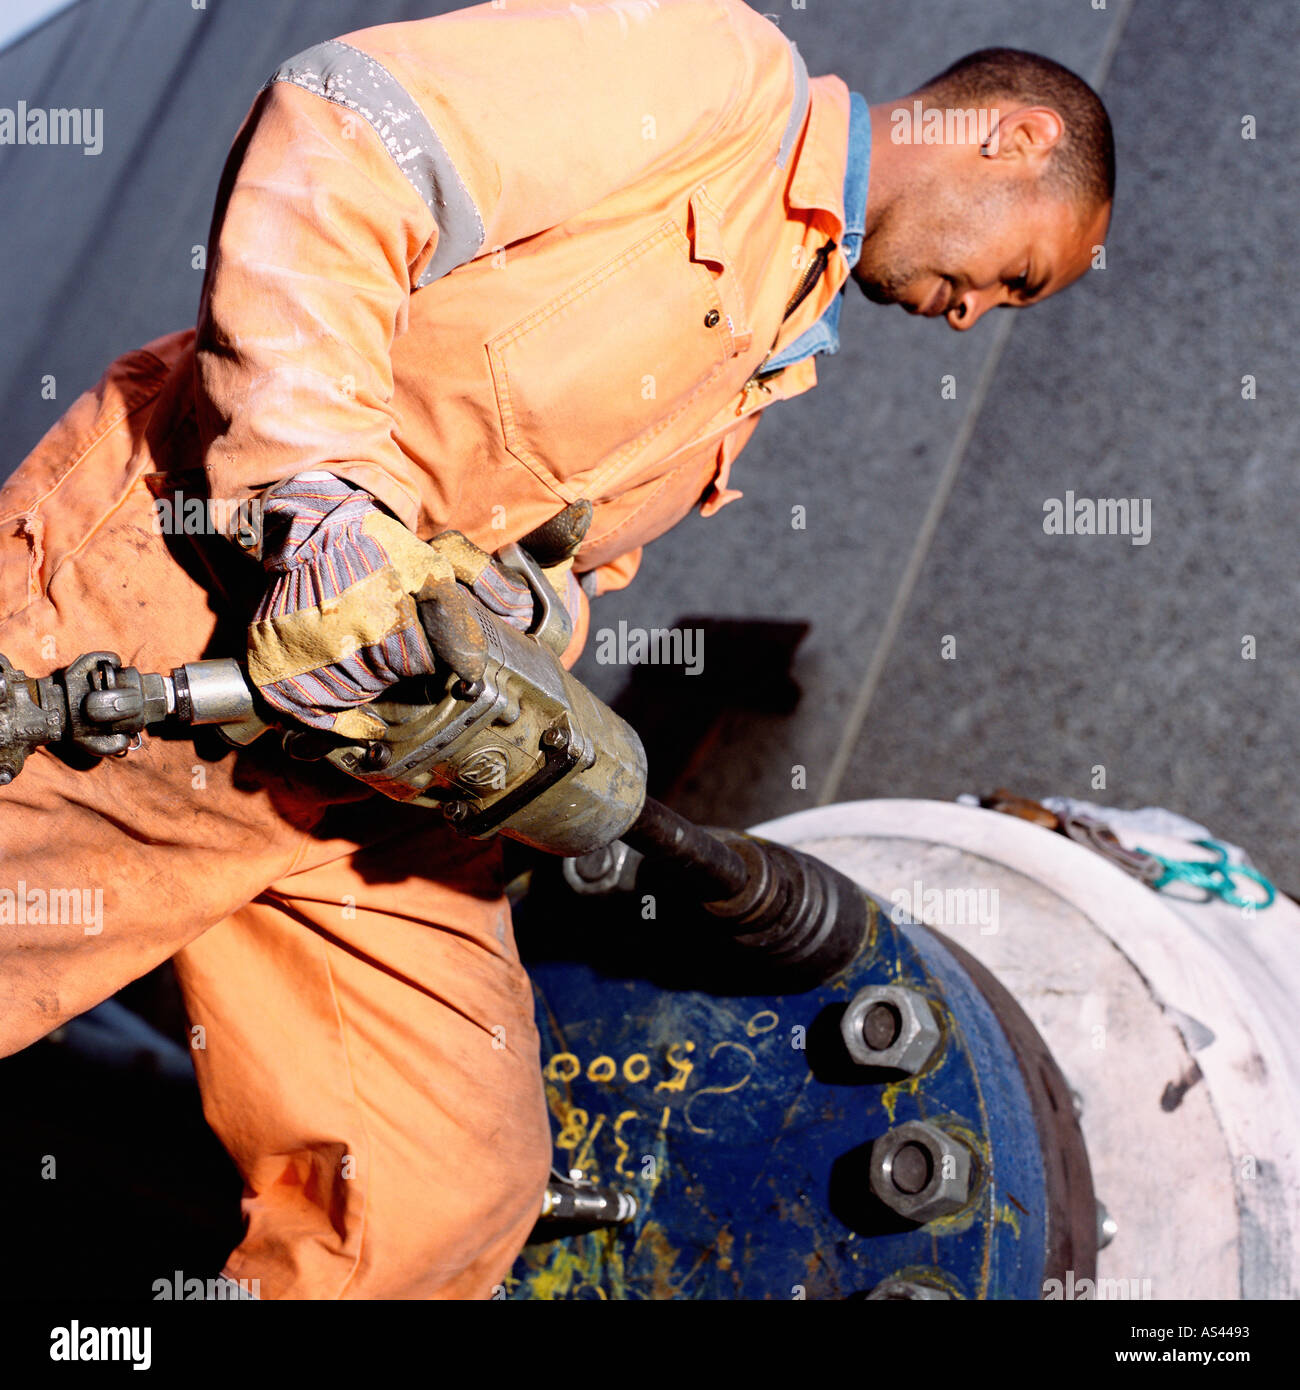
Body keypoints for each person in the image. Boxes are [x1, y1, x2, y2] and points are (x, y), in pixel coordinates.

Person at [0, 0, 1113, 1298]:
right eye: (1016, 274)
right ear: (1015, 135)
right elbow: (350, 123)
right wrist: (322, 499)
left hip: (366, 762)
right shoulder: (720, 82)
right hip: (170, 621)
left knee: (445, 1188)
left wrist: (523, 638)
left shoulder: (770, 336)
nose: (976, 315)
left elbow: (539, 539)